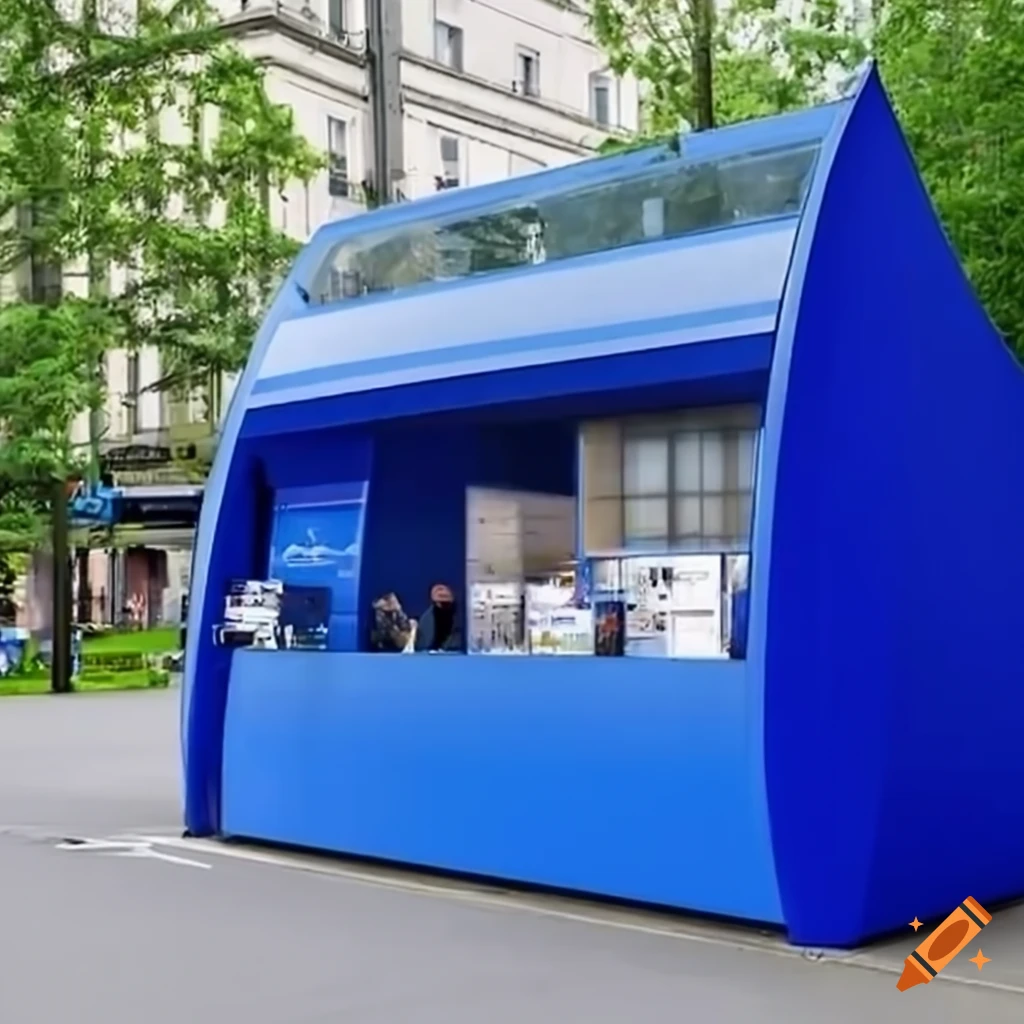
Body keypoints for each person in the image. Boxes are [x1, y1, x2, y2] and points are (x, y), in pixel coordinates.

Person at [414, 583, 461, 652]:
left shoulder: (462, 620)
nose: (443, 600)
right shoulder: (426, 620)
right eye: (440, 597)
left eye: (445, 597)